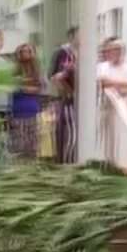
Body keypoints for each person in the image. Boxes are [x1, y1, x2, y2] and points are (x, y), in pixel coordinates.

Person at [97, 39, 127, 171]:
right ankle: (109, 164)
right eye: (111, 50)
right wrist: (121, 84)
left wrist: (114, 84)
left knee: (124, 137)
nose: (113, 52)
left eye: (117, 49)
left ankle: (125, 165)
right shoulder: (102, 66)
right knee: (108, 137)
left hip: (125, 106)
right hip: (108, 105)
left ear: (122, 52)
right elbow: (103, 83)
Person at [10, 43, 45, 160]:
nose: (25, 54)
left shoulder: (37, 70)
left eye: (28, 51)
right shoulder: (13, 70)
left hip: (32, 110)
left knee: (32, 146)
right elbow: (11, 87)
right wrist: (27, 88)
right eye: (22, 51)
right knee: (18, 145)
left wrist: (24, 87)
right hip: (17, 111)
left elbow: (40, 88)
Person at [49, 27, 79, 164]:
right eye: (80, 35)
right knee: (71, 136)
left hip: (84, 102)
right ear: (72, 37)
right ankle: (67, 164)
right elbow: (52, 76)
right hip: (69, 101)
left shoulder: (87, 53)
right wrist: (67, 90)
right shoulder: (62, 53)